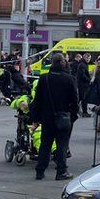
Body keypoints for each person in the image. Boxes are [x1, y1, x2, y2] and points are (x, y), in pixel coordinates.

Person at [30, 53, 78, 181]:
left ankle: (40, 171)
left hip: (47, 117)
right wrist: (73, 116)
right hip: (63, 117)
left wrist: (35, 118)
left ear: (52, 63)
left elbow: (37, 100)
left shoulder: (44, 78)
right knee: (62, 145)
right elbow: (75, 100)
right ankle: (61, 171)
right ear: (63, 62)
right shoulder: (70, 79)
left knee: (45, 144)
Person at [69, 53, 92, 118]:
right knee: (83, 98)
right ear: (84, 57)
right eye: (87, 58)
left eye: (89, 58)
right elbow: (82, 75)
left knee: (81, 98)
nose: (88, 59)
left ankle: (78, 111)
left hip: (81, 84)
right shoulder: (82, 64)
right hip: (83, 84)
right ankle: (83, 112)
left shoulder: (82, 64)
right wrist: (89, 80)